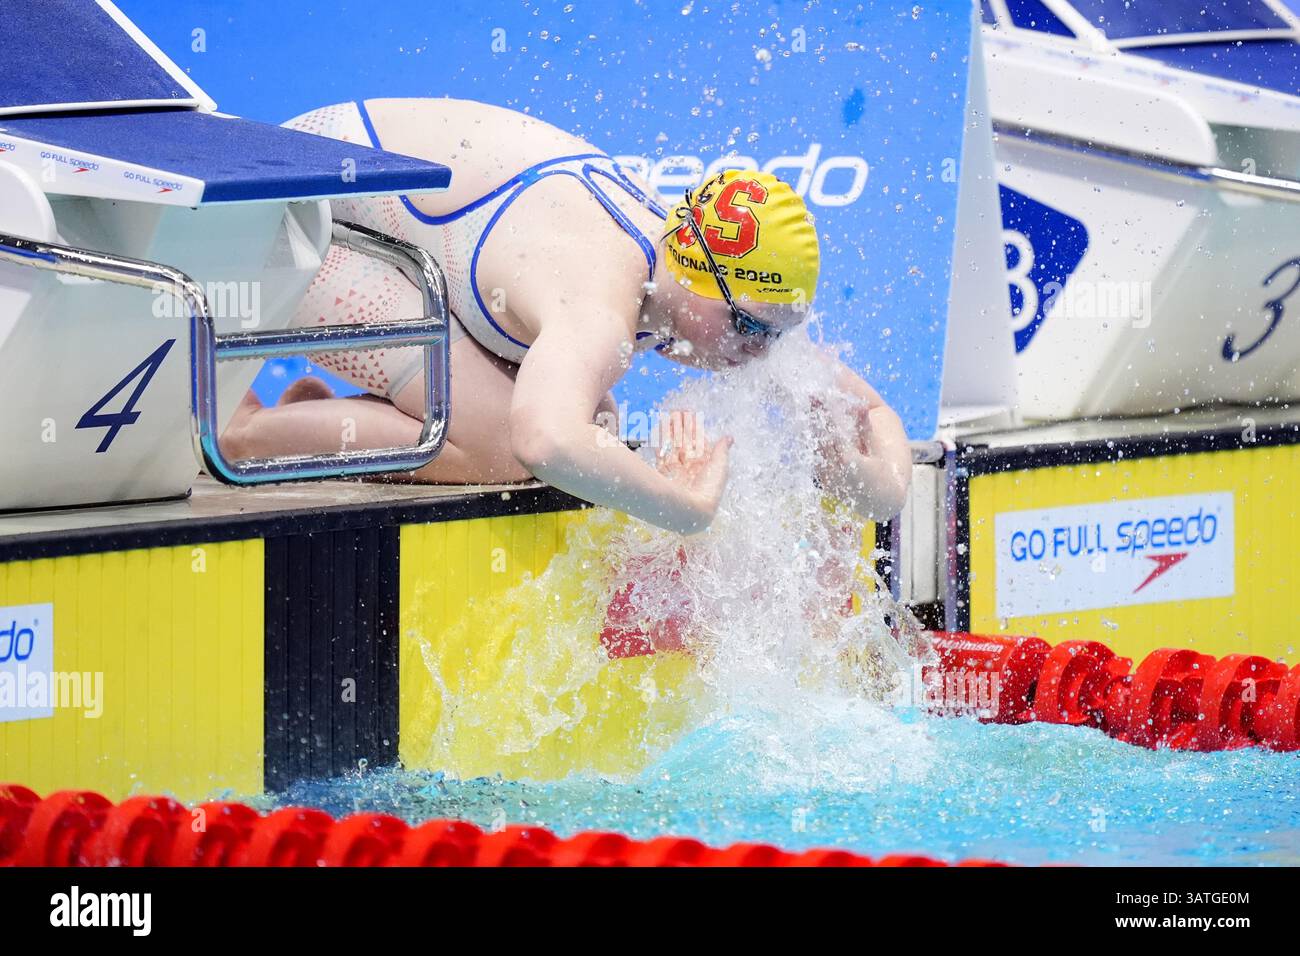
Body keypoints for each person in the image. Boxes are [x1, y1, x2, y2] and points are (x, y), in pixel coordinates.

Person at [220, 98, 911, 533]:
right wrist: (686, 509)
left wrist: (857, 479)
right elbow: (544, 443)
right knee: (506, 445)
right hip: (282, 213)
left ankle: (316, 417)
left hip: (367, 207)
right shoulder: (601, 297)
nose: (758, 351)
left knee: (599, 423)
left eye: (776, 333)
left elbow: (873, 417)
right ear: (698, 278)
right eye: (748, 327)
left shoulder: (687, 274)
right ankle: (246, 429)